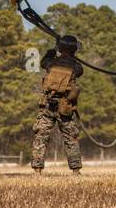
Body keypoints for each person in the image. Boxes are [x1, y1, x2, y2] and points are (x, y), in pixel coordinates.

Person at [30, 35, 84, 175]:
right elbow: (79, 70)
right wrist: (72, 56)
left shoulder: (51, 63)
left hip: (47, 105)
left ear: (61, 48)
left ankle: (37, 171)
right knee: (71, 139)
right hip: (65, 107)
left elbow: (43, 62)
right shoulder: (75, 66)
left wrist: (53, 50)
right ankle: (76, 172)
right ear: (73, 50)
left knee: (40, 137)